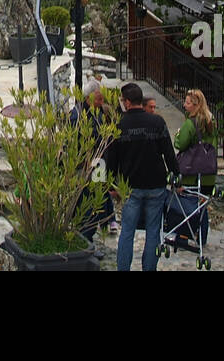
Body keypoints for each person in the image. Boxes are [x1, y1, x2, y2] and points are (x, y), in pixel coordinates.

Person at [102, 82, 179, 271]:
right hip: (156, 183)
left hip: (131, 185)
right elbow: (169, 152)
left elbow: (111, 158)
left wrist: (110, 185)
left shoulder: (119, 125)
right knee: (153, 231)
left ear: (127, 102)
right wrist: (176, 176)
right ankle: (149, 268)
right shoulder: (157, 122)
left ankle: (123, 268)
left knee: (127, 231)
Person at [165, 88, 216, 250]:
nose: (185, 105)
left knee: (185, 204)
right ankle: (202, 237)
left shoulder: (190, 123)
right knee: (202, 205)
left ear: (196, 105)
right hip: (208, 172)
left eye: (187, 103)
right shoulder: (210, 121)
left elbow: (180, 144)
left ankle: (183, 235)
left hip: (191, 171)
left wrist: (179, 134)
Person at [70, 80, 115, 239]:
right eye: (99, 99)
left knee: (96, 199)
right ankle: (85, 237)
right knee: (87, 204)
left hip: (98, 164)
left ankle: (91, 233)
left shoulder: (97, 113)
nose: (101, 103)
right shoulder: (78, 116)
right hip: (87, 166)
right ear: (88, 99)